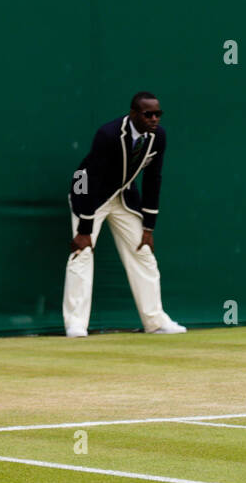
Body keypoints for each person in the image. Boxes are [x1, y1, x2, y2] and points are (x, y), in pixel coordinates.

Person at [64, 92, 187, 336]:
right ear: (133, 114)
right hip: (89, 193)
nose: (154, 119)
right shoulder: (108, 134)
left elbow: (153, 179)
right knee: (83, 253)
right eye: (148, 114)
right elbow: (92, 177)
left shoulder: (158, 137)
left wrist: (148, 228)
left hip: (124, 198)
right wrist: (85, 228)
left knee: (144, 252)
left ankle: (155, 321)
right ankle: (76, 323)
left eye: (158, 114)